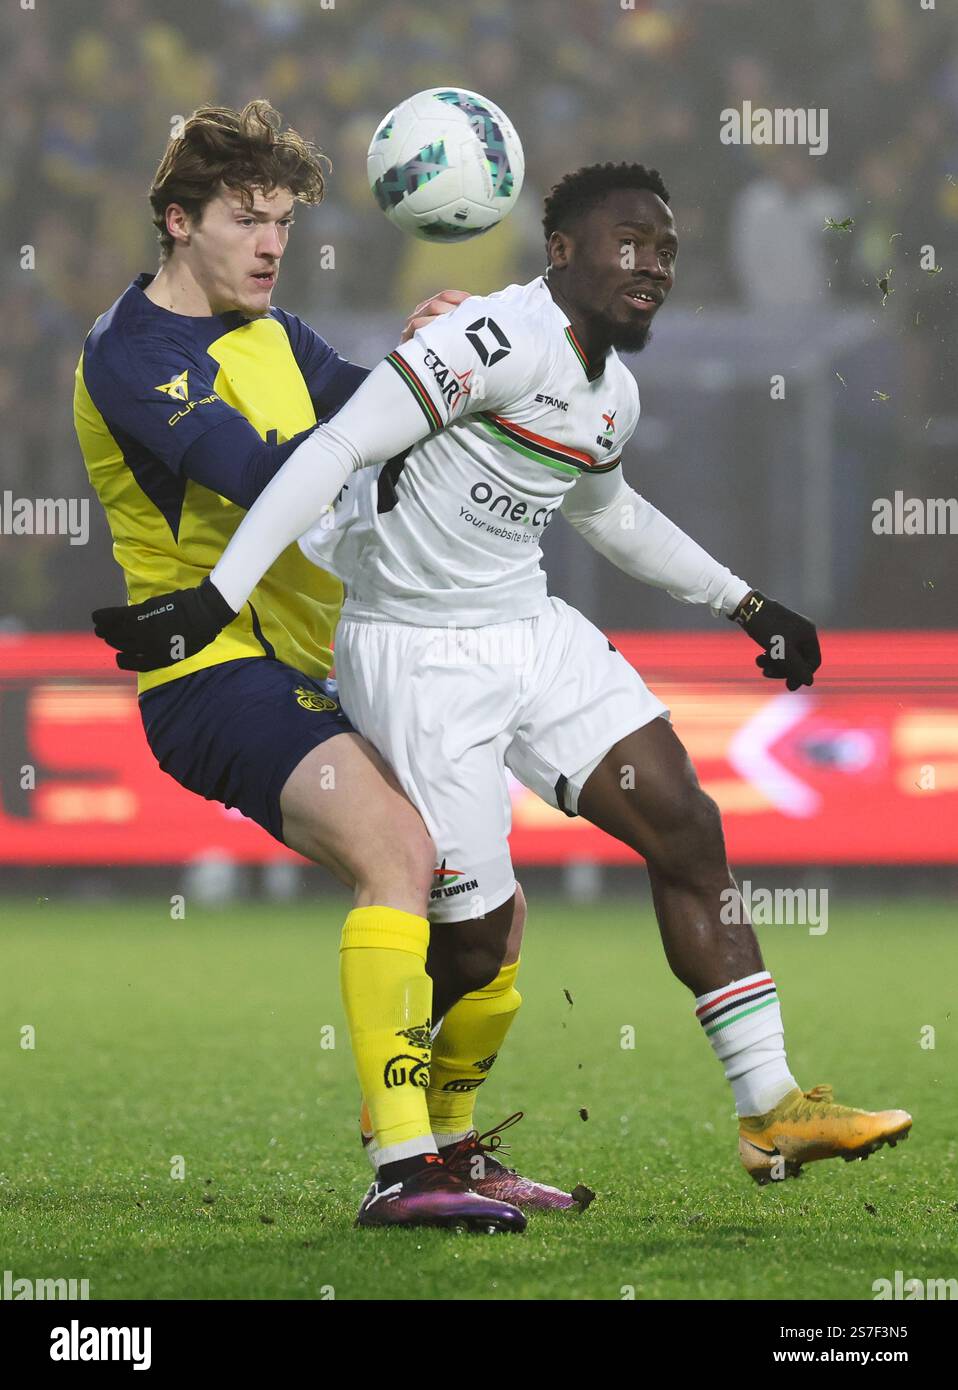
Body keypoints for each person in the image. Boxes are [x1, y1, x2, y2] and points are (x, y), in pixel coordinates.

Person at [92, 160, 912, 1204]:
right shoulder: (489, 339)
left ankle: (770, 1107)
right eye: (627, 243)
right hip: (419, 653)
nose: (650, 266)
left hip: (530, 629)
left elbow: (607, 512)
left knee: (685, 821)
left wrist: (748, 603)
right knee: (479, 938)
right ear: (560, 251)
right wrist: (217, 596)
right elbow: (337, 443)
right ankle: (420, 1130)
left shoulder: (608, 388)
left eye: (663, 249)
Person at [78, 99, 575, 1234]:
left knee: (490, 912)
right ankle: (403, 1174)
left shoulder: (284, 340)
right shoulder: (132, 354)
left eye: (284, 226)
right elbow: (267, 476)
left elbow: (400, 425)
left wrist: (443, 366)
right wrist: (404, 383)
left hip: (329, 666)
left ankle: (449, 1144)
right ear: (176, 221)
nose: (269, 245)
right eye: (246, 220)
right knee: (396, 851)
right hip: (209, 669)